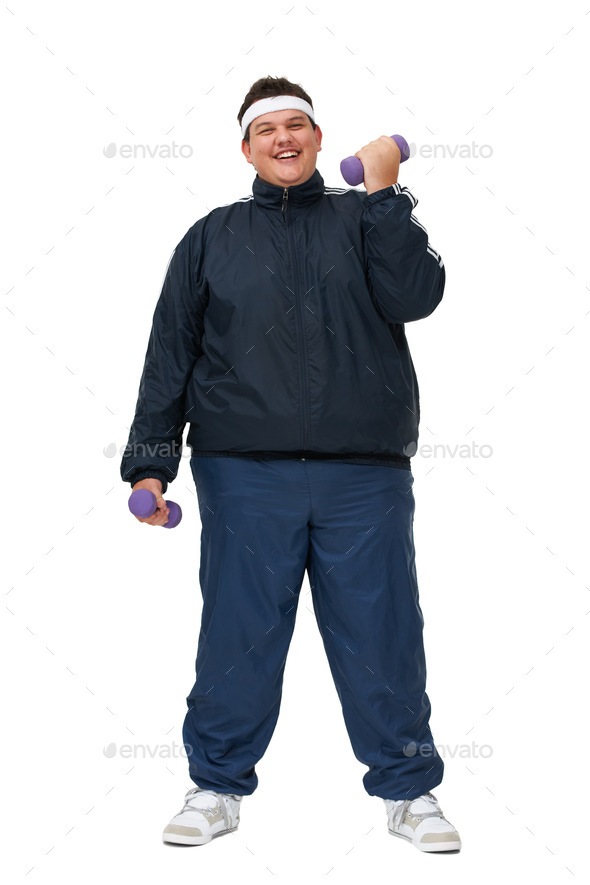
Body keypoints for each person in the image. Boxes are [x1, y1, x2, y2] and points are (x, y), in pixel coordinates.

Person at [120, 75, 461, 853]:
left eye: (297, 126)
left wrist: (385, 192)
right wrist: (150, 465)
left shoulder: (365, 216)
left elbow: (418, 294)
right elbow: (168, 356)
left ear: (317, 138)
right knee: (239, 632)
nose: (284, 138)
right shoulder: (210, 236)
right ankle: (214, 785)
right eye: (267, 128)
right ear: (245, 147)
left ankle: (410, 792)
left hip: (364, 470)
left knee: (383, 633)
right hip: (244, 470)